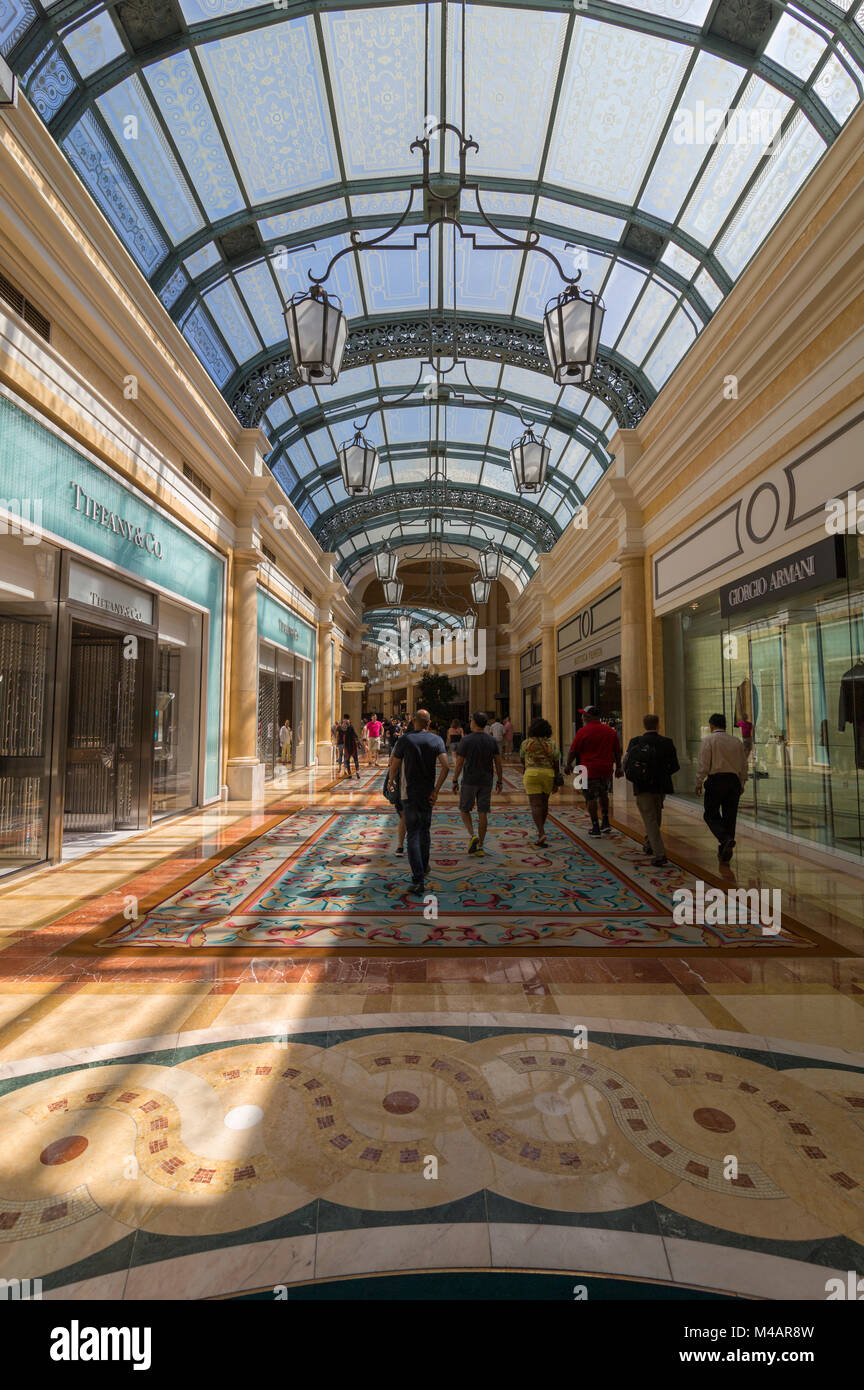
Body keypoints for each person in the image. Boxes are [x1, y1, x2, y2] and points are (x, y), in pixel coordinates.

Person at [387, 709, 450, 894]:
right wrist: (436, 790)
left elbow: (395, 764)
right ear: (429, 723)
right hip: (427, 793)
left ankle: (418, 879)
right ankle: (425, 865)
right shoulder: (436, 740)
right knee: (425, 831)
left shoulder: (405, 740)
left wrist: (391, 781)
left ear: (414, 721)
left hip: (409, 793)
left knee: (412, 834)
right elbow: (446, 766)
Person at [623, 714, 680, 866]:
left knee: (650, 819)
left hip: (642, 786)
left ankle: (660, 854)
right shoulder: (667, 742)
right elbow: (675, 766)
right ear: (658, 725)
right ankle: (650, 844)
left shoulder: (636, 742)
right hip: (661, 787)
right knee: (655, 816)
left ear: (644, 725)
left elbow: (627, 762)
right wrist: (661, 773)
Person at [695, 712, 749, 862]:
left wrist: (699, 781)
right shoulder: (736, 741)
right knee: (730, 816)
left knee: (710, 814)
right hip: (733, 781)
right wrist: (742, 782)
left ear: (712, 725)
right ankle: (725, 848)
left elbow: (704, 764)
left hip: (716, 781)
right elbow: (744, 764)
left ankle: (725, 840)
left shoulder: (709, 740)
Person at [565, 706, 623, 838]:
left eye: (583, 715)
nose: (582, 717)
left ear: (589, 716)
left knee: (590, 797)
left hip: (588, 769)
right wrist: (618, 767)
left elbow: (573, 750)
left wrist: (568, 764)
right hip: (606, 768)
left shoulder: (583, 731)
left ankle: (595, 826)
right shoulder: (610, 731)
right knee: (603, 794)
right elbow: (617, 751)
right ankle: (606, 821)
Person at [452, 711, 503, 854]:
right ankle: (480, 845)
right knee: (483, 812)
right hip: (486, 780)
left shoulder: (466, 740)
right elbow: (498, 763)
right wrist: (499, 780)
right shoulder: (491, 741)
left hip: (469, 780)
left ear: (473, 722)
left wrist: (455, 780)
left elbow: (460, 763)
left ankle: (472, 834)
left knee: (464, 809)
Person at [519, 717, 562, 848]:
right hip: (548, 774)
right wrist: (556, 777)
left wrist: (528, 766)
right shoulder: (551, 743)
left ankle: (541, 832)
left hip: (531, 774)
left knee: (535, 805)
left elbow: (522, 759)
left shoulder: (526, 743)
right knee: (544, 804)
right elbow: (556, 762)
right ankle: (541, 829)